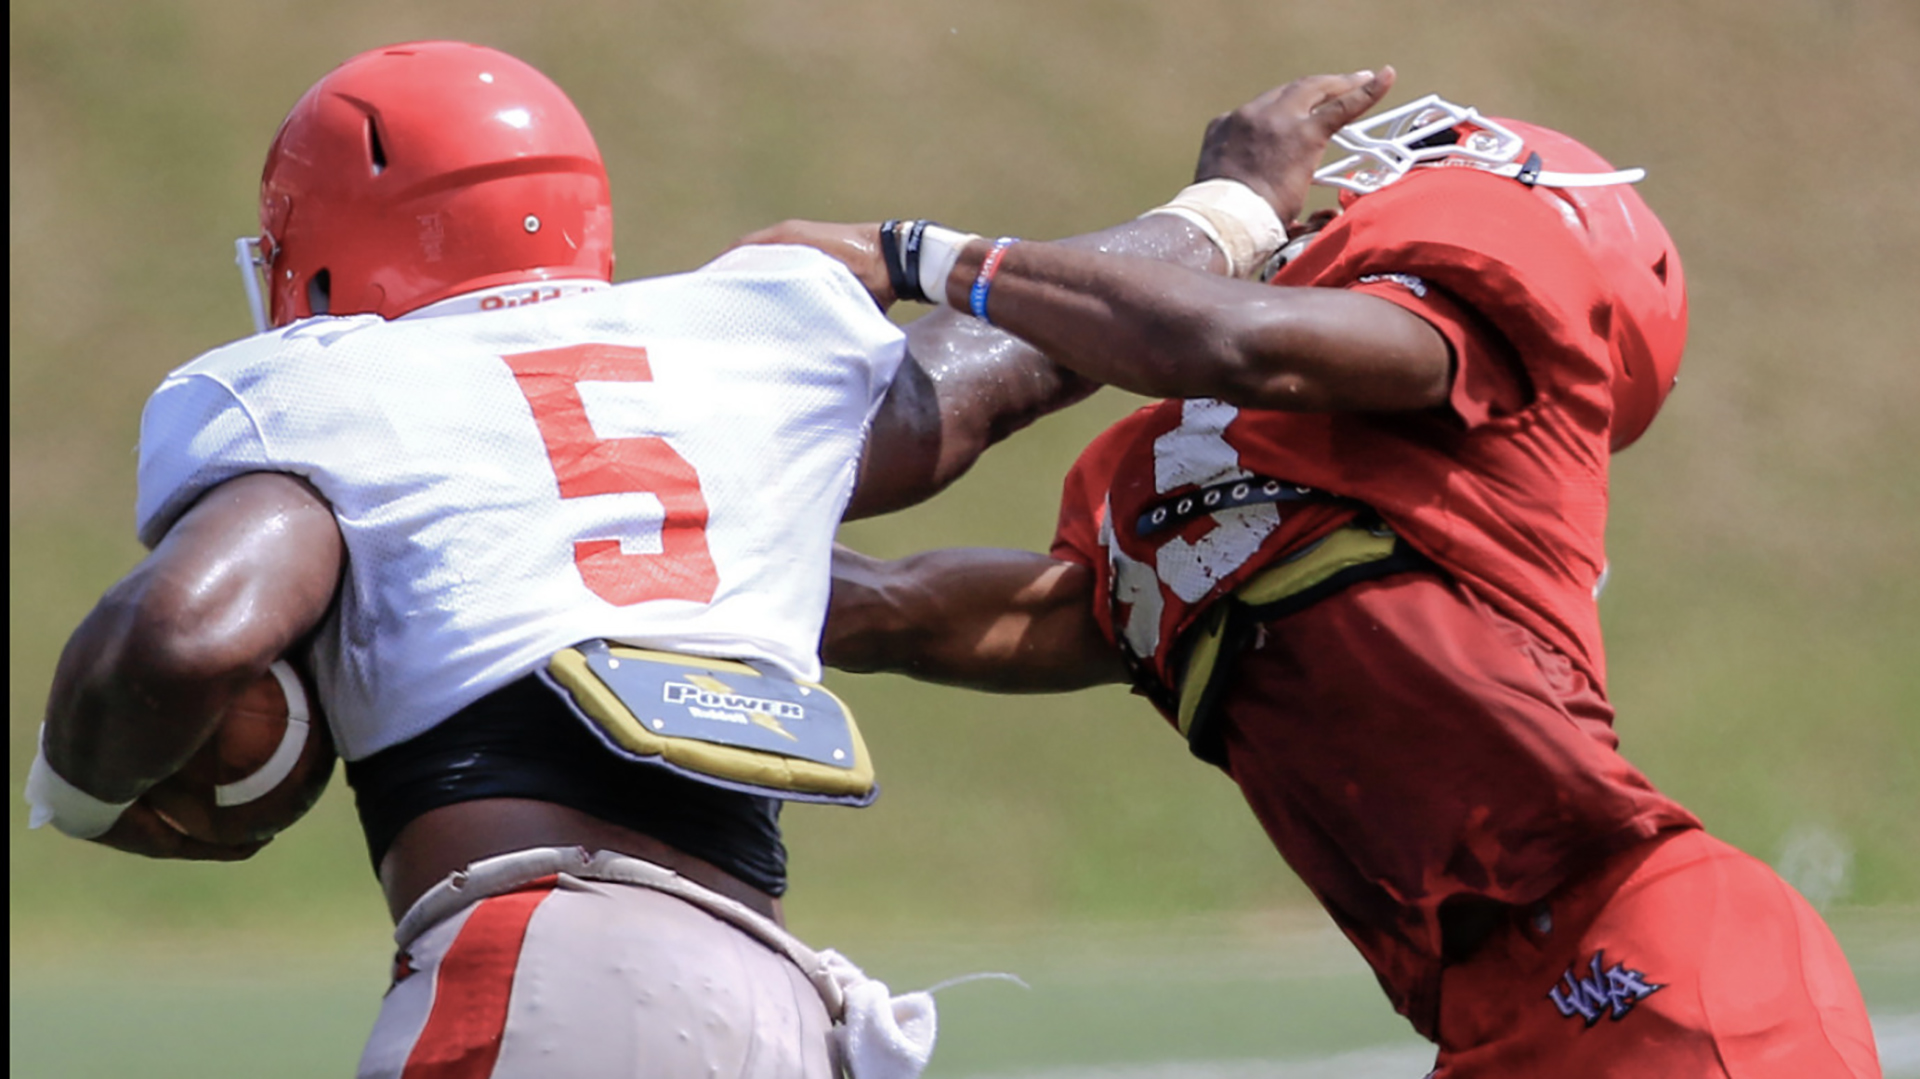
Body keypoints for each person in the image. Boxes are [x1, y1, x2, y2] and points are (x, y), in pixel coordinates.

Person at [25, 40, 1391, 1079]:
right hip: (765, 994)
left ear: (315, 262)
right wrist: (1225, 205)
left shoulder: (328, 386)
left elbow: (182, 633)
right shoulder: (723, 339)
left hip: (545, 964)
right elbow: (996, 375)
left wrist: (79, 790)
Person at [768, 93, 1886, 1076]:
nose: (1365, 192)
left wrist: (921, 253)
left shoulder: (1475, 352)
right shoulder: (1200, 475)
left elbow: (1234, 342)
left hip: (1654, 948)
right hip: (1483, 1016)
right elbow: (903, 609)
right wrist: (643, 531)